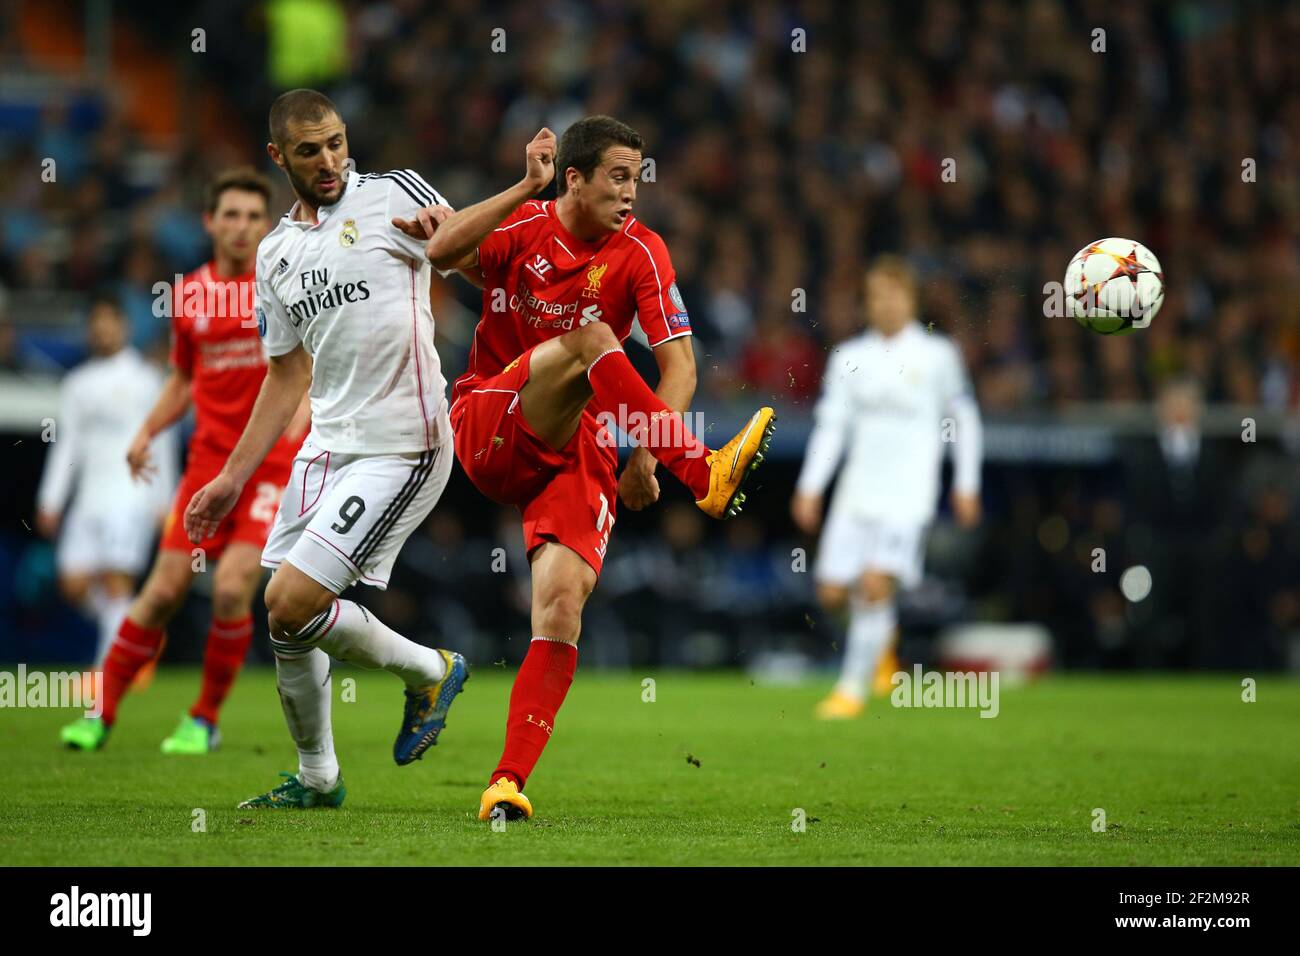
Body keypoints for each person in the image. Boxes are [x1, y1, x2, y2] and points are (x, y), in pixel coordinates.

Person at [423, 115, 776, 821]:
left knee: (560, 608)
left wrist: (643, 451)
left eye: (638, 178)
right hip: (491, 420)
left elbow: (678, 366)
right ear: (573, 178)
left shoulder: (643, 252)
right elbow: (441, 250)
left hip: (575, 443)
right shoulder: (524, 224)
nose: (631, 193)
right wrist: (525, 182)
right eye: (618, 176)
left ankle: (506, 782)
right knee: (592, 337)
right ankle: (702, 475)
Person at [183, 89, 476, 809]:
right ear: (278, 157)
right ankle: (318, 778)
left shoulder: (392, 194)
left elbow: (464, 249)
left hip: (403, 443)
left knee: (290, 602)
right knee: (283, 620)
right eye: (310, 150)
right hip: (326, 446)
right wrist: (230, 478)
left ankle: (429, 669)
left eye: (338, 143)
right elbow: (286, 375)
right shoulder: (275, 252)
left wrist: (519, 194)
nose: (330, 161)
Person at [58, 168, 309, 754]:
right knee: (165, 587)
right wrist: (145, 431)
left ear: (264, 224)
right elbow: (181, 380)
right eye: (232, 215)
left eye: (253, 216)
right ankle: (102, 713)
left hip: (268, 468)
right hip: (205, 468)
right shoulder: (189, 294)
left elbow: (309, 369)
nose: (243, 227)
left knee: (230, 589)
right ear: (210, 222)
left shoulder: (284, 284)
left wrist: (303, 423)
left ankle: (203, 719)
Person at [791, 256, 982, 718]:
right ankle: (882, 641)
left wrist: (966, 482)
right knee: (834, 593)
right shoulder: (850, 358)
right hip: (857, 491)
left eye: (894, 294)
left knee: (876, 584)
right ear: (867, 303)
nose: (886, 304)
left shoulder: (939, 356)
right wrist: (810, 486)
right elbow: (831, 427)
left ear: (911, 300)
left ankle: (850, 691)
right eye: (876, 295)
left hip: (909, 493)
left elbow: (965, 418)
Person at [37, 296, 177, 666]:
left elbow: (160, 441)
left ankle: (107, 673)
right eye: (95, 322)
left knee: (117, 583)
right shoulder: (77, 384)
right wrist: (50, 500)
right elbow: (66, 445)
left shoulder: (145, 379)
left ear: (123, 326)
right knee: (73, 583)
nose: (102, 329)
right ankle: (136, 633)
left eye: (109, 321)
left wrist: (166, 499)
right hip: (88, 497)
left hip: (132, 495)